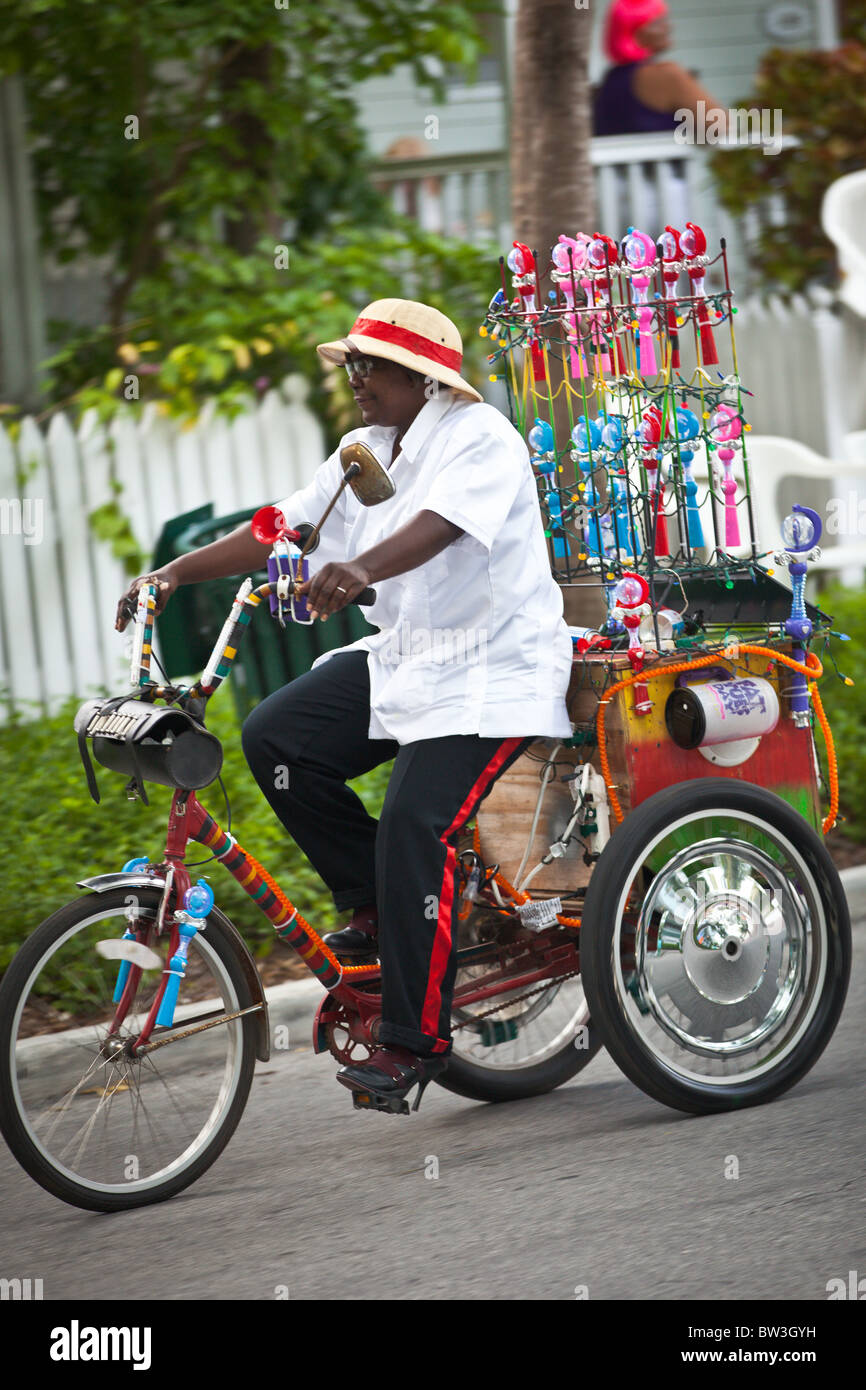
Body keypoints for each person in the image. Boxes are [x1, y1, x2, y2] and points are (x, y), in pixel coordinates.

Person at [116, 299, 574, 1114]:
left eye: (372, 366)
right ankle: (375, 899)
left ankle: (412, 1041)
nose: (355, 380)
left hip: (491, 672)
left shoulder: (480, 440)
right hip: (408, 661)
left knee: (415, 822)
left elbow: (439, 525)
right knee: (278, 737)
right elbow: (280, 527)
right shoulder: (364, 450)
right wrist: (174, 574)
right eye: (352, 365)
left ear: (422, 376)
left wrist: (359, 570)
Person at [594, 0, 727, 138]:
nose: (669, 27)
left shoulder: (611, 79)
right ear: (636, 30)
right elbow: (722, 126)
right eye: (658, 22)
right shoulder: (666, 75)